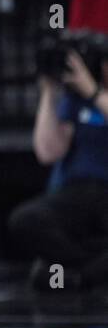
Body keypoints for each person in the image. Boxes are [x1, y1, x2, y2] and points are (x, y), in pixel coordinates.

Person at [8, 50, 108, 290]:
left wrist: (93, 92)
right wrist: (49, 93)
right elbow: (47, 152)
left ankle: (75, 274)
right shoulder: (76, 100)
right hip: (77, 193)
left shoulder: (91, 94)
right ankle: (88, 270)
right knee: (24, 220)